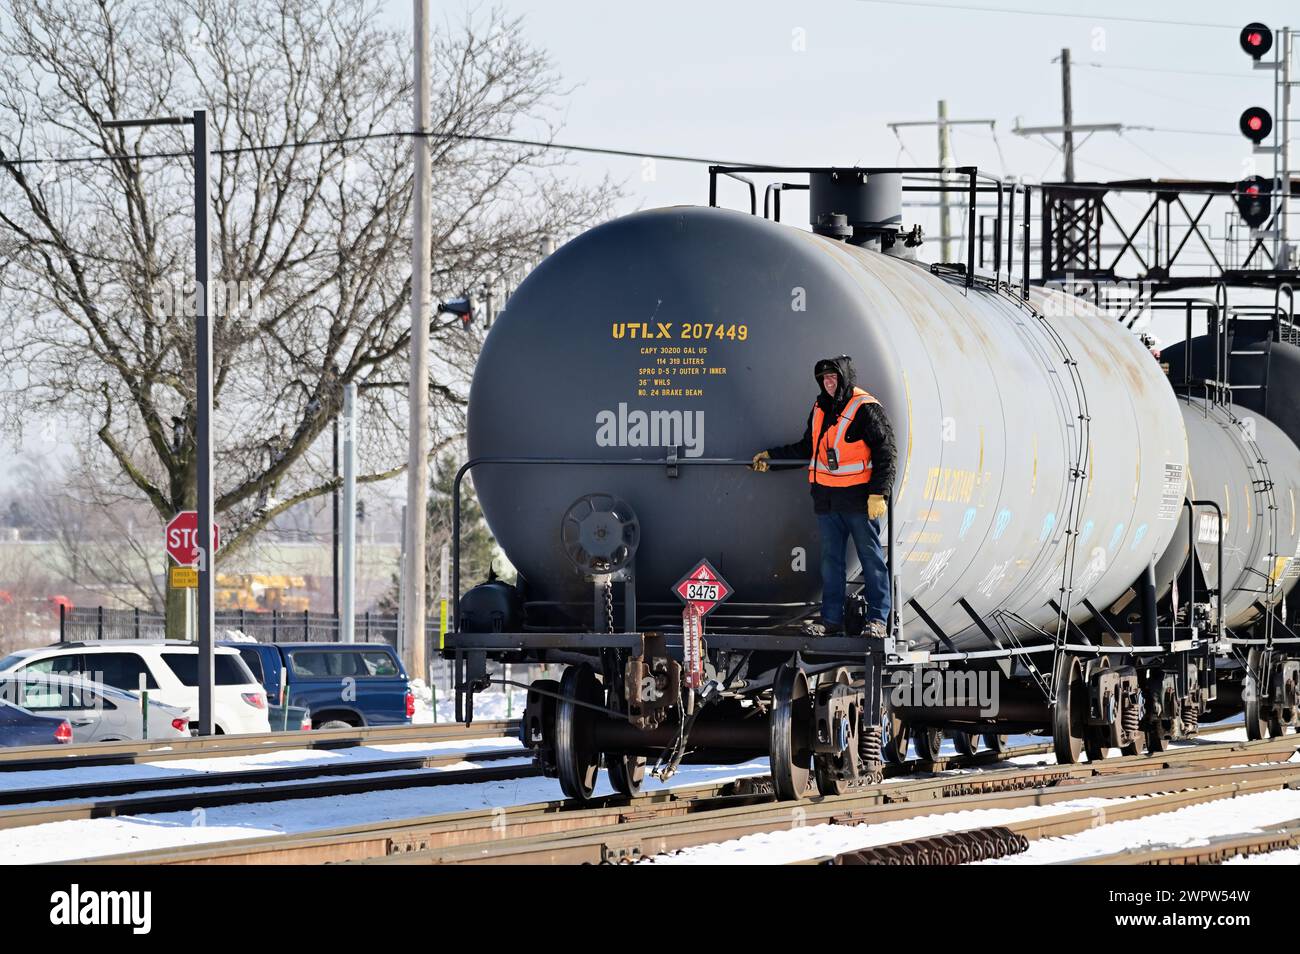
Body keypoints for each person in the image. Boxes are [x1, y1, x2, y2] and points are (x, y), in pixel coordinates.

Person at [751, 355, 897, 637]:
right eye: (824, 379)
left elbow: (886, 451)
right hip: (828, 501)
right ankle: (830, 620)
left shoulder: (865, 407)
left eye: (833, 378)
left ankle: (878, 621)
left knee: (871, 560)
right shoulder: (820, 407)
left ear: (843, 378)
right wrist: (773, 457)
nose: (829, 383)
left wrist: (879, 493)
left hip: (858, 502)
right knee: (831, 564)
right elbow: (809, 448)